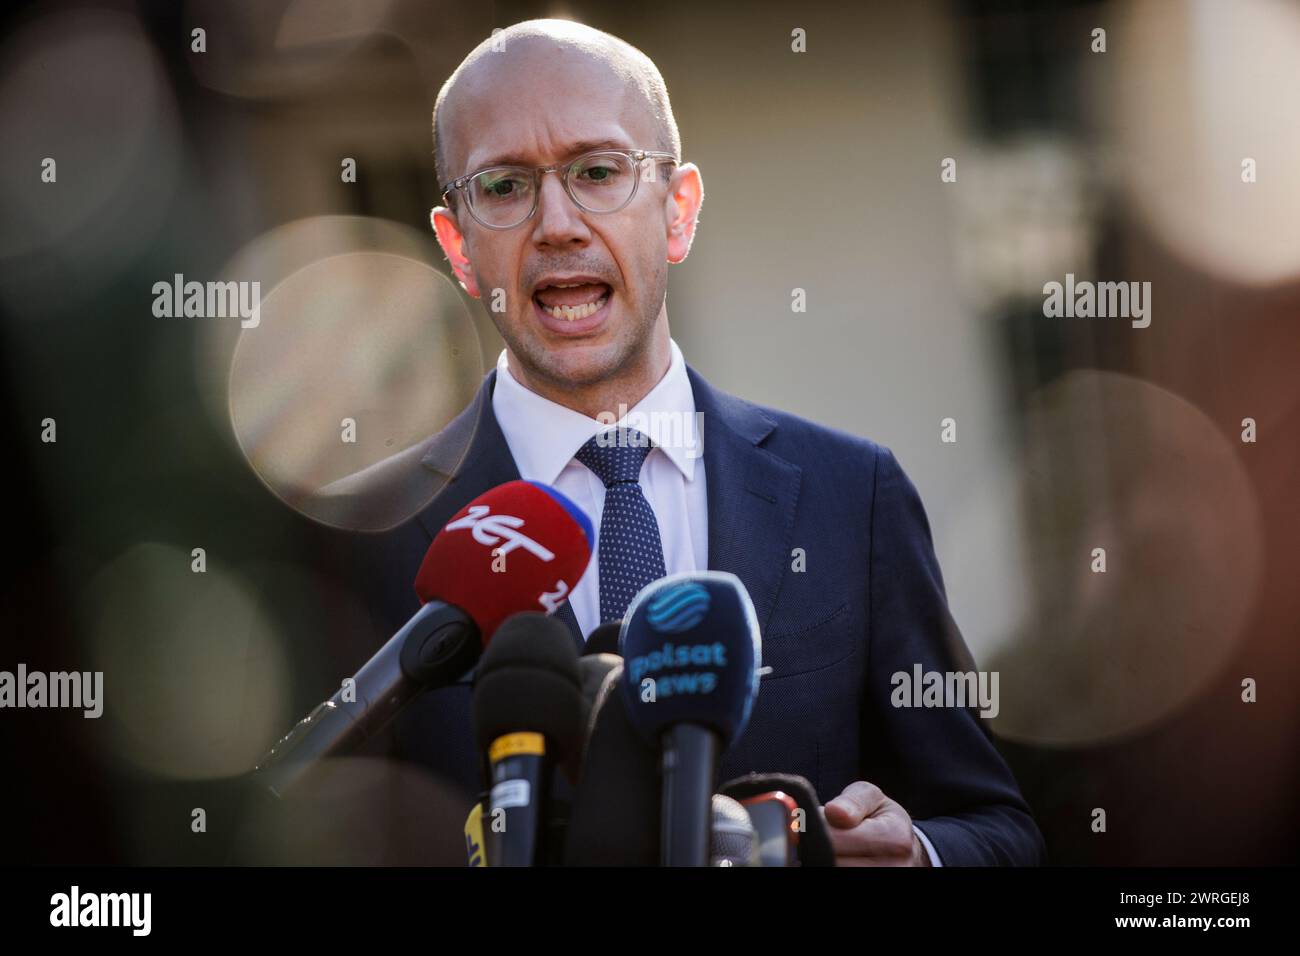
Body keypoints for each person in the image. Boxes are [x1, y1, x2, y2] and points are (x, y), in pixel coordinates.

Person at [321, 18, 1044, 866]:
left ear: (678, 211)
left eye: (598, 172)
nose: (556, 223)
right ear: (458, 248)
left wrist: (914, 852)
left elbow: (998, 829)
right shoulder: (355, 541)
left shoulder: (853, 495)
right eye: (505, 187)